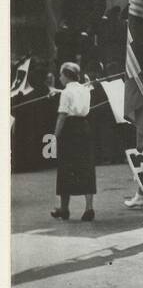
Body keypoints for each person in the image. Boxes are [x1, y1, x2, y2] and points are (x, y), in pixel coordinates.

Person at [51, 62, 96, 220]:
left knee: (66, 167)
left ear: (67, 75)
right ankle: (89, 208)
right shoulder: (85, 89)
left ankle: (64, 209)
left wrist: (55, 136)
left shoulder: (66, 93)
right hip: (84, 127)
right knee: (86, 166)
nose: (59, 77)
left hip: (69, 130)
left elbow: (62, 115)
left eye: (61, 74)